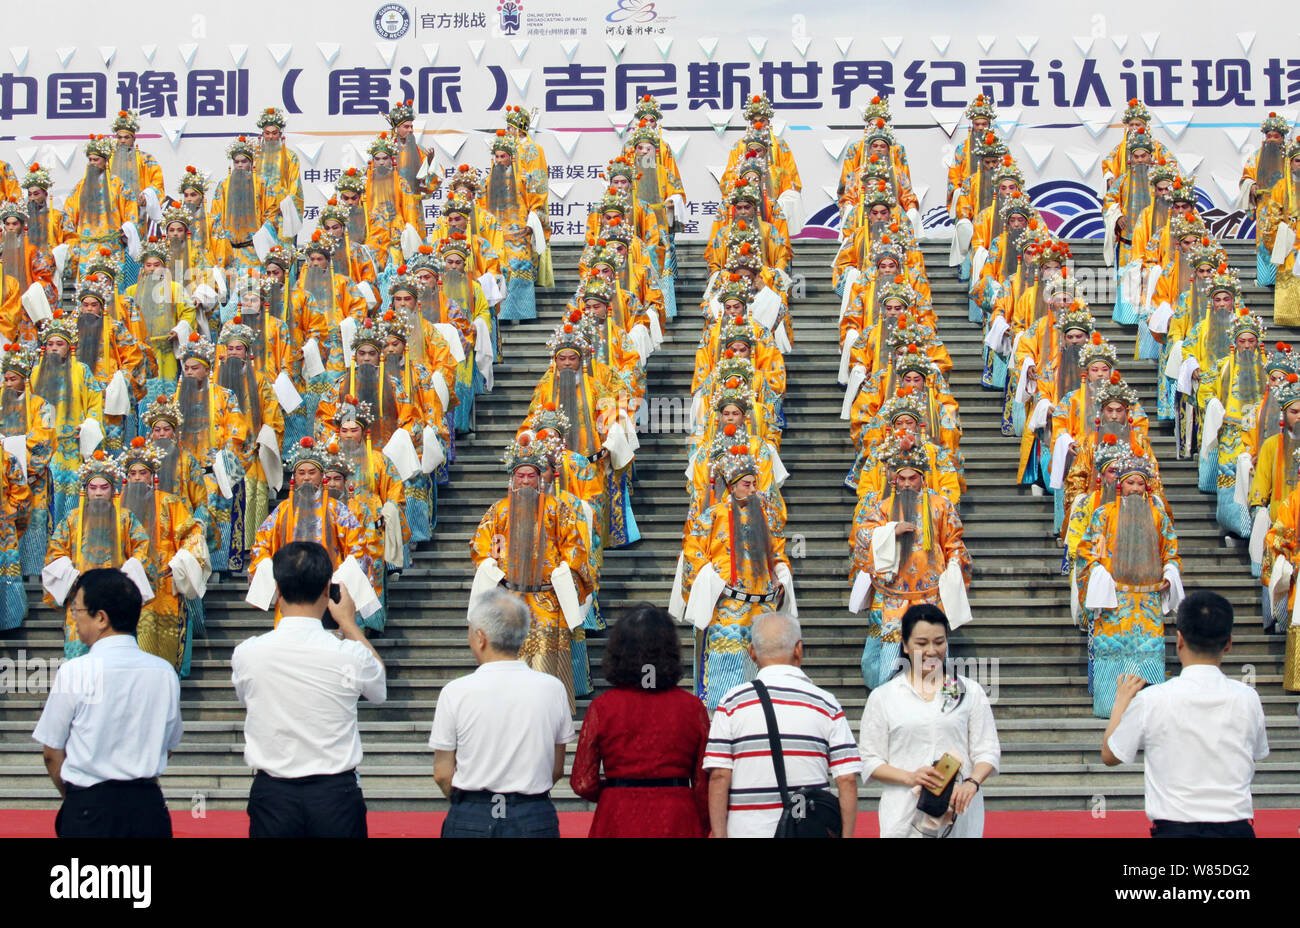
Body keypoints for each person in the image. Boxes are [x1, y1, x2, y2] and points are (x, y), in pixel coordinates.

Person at [231, 540, 385, 838]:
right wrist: (349, 625)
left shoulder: (248, 654)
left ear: (277, 587)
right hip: (334, 797)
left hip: (273, 795)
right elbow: (378, 687)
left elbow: (246, 697)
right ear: (328, 589)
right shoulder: (347, 654)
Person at [1102, 590, 1269, 838]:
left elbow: (1110, 754)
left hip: (1176, 830)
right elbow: (1254, 755)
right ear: (1229, 642)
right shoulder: (1247, 698)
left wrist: (1121, 702)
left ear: (1179, 640)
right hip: (1235, 829)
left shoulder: (1153, 699)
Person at [33, 568, 182, 838]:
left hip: (90, 809)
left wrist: (77, 796)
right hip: (146, 807)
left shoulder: (75, 672)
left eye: (76, 610)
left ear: (101, 618)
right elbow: (168, 746)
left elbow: (51, 753)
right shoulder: (164, 673)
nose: (74, 618)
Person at [703, 611, 861, 838]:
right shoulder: (826, 703)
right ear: (798, 649)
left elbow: (719, 776)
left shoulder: (731, 703)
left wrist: (720, 835)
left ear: (752, 652)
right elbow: (846, 778)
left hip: (746, 831)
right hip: (807, 831)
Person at [431, 589, 573, 838]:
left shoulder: (455, 692)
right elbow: (557, 767)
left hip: (473, 812)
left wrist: (468, 803)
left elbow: (443, 773)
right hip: (533, 812)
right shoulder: (553, 689)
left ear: (481, 638)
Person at [858, 604, 1000, 838]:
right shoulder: (884, 697)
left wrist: (971, 784)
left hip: (957, 815)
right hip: (903, 815)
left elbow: (987, 751)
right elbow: (870, 760)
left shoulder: (969, 692)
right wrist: (911, 777)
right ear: (904, 645)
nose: (931, 651)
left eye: (939, 642)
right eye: (921, 643)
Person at [569, 604, 710, 838]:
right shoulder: (692, 708)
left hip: (618, 813)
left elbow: (582, 782)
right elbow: (703, 783)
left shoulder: (603, 707)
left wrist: (615, 791)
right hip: (676, 814)